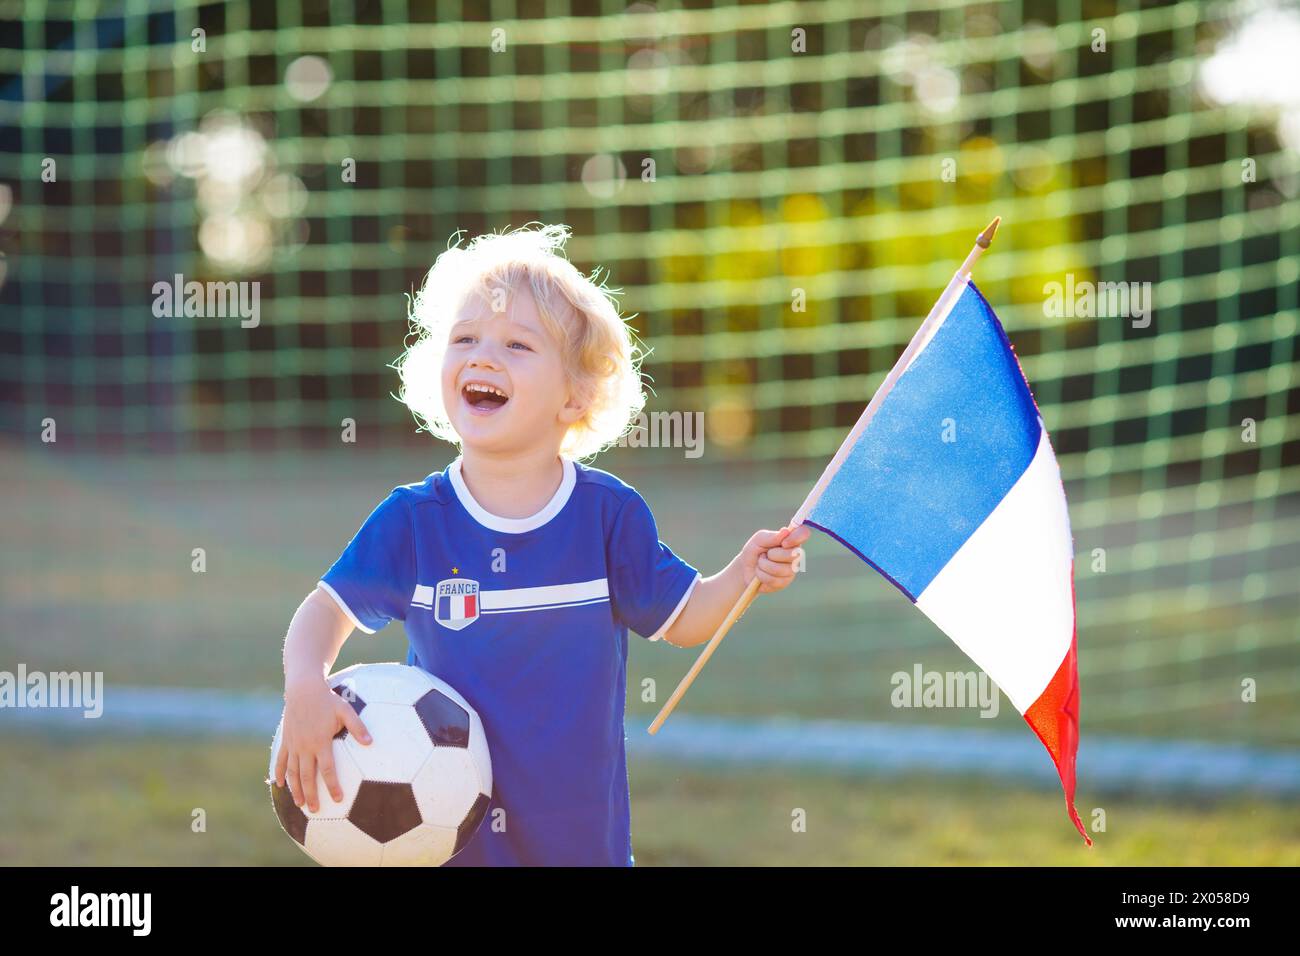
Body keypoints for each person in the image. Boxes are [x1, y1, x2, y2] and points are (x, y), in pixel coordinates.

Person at [274, 222, 810, 865]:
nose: (482, 356)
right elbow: (324, 610)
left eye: (517, 345)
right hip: (452, 844)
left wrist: (742, 573)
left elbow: (684, 617)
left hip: (581, 844)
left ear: (576, 394)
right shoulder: (413, 522)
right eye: (464, 338)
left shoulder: (606, 515)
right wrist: (307, 684)